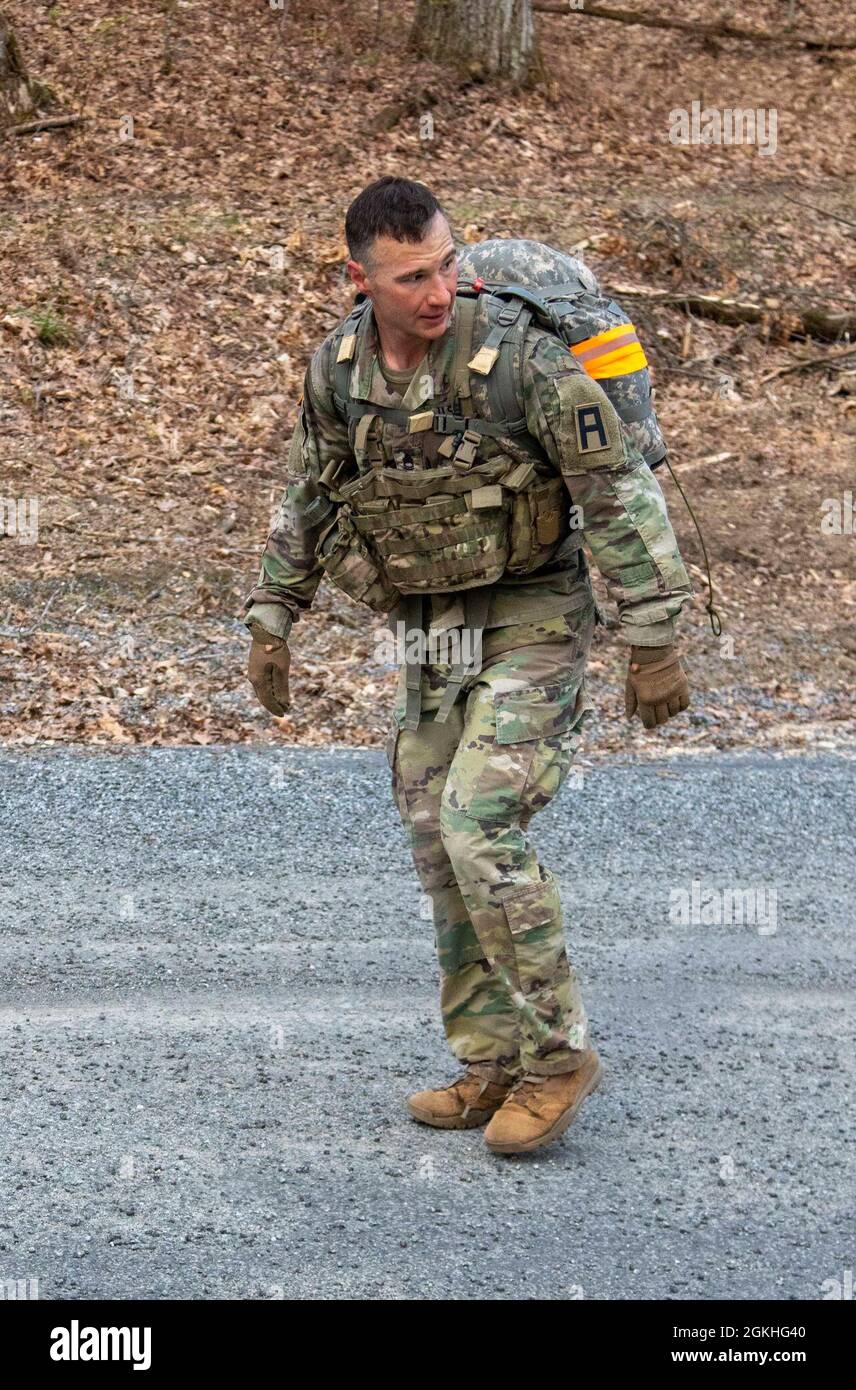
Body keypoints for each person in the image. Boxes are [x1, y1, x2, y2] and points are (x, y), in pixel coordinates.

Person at [242, 176, 692, 1155]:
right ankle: (488, 1058)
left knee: (477, 815)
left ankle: (557, 1056)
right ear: (360, 279)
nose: (439, 290)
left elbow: (611, 486)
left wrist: (653, 633)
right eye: (412, 277)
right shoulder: (339, 372)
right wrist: (273, 613)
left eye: (447, 264)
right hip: (431, 623)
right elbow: (309, 490)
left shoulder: (520, 361)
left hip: (535, 606)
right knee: (429, 825)